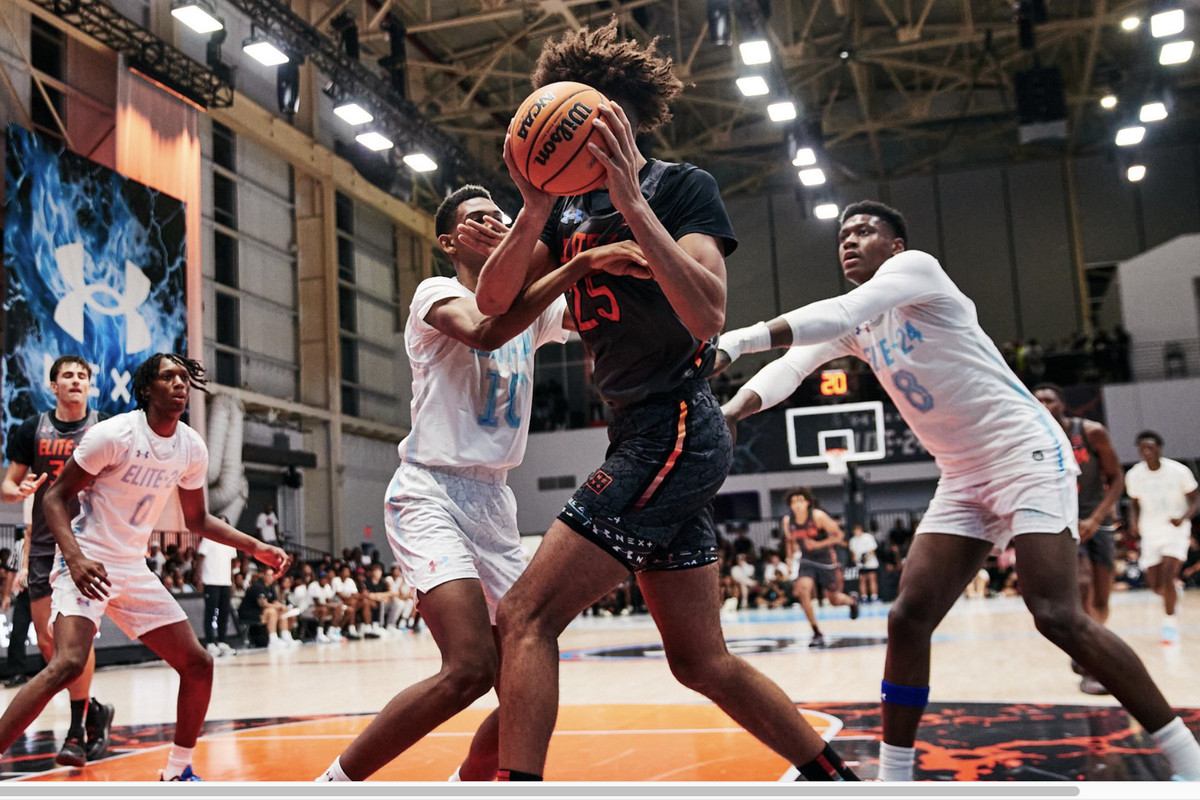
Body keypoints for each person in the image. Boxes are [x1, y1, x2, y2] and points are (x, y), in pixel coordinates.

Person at [472, 22, 858, 782]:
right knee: (701, 660)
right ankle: (839, 783)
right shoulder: (566, 214)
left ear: (612, 117)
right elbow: (491, 308)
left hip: (676, 424)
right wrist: (533, 207)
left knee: (524, 617)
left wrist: (631, 203)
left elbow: (708, 313)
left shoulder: (682, 188)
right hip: (637, 433)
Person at [718, 200, 1200, 781]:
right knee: (907, 618)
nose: (848, 240)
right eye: (843, 234)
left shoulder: (917, 270)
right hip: (964, 476)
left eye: (864, 231)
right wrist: (733, 410)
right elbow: (792, 367)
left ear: (895, 246)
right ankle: (896, 779)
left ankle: (1188, 757)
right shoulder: (855, 325)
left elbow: (840, 309)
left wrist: (737, 340)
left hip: (1025, 455)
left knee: (1056, 614)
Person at [317, 182, 596, 783]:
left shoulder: (535, 308)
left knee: (528, 674)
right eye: (479, 218)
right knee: (470, 668)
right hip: (430, 491)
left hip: (495, 501)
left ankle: (466, 786)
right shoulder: (436, 292)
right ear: (449, 242)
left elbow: (597, 314)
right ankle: (331, 786)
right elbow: (484, 329)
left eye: (503, 216)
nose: (496, 223)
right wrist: (572, 265)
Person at [0, 353, 290, 781]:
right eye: (169, 376)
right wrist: (75, 558)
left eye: (184, 377)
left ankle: (177, 771)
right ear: (147, 388)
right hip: (87, 558)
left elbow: (197, 520)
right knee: (67, 663)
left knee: (198, 664)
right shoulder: (113, 434)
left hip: (131, 568)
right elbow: (55, 498)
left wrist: (256, 546)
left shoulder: (191, 446)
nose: (180, 383)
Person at [0, 355, 115, 765]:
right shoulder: (33, 429)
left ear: (89, 385)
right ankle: (94, 709)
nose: (75, 381)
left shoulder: (104, 427)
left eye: (82, 375)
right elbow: (8, 485)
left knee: (76, 640)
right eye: (67, 375)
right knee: (50, 646)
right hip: (45, 545)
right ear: (54, 385)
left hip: (87, 545)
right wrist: (17, 491)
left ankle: (76, 731)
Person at [1033, 383, 1125, 694]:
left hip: (1096, 519)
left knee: (1101, 599)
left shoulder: (1090, 432)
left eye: (1049, 399)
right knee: (1082, 586)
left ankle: (1089, 645)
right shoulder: (1032, 437)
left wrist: (1097, 518)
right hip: (1062, 520)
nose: (1044, 404)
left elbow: (1117, 477)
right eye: (1037, 400)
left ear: (1062, 404)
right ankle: (1092, 666)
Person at [1125, 431, 1199, 646]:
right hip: (1150, 532)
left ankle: (1169, 627)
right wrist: (1133, 524)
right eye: (1143, 448)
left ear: (1159, 448)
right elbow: (1133, 504)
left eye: (1151, 447)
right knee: (1156, 586)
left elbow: (1195, 499)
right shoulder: (1135, 475)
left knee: (1168, 576)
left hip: (1175, 531)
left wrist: (1183, 518)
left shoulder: (1179, 471)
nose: (1147, 452)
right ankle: (1173, 596)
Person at [782, 488, 859, 648]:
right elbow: (790, 540)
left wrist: (818, 544)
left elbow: (839, 536)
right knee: (803, 591)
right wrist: (789, 559)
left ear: (808, 502)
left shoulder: (818, 516)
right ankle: (816, 632)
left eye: (800, 500)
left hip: (825, 561)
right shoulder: (788, 521)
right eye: (793, 501)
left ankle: (851, 601)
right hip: (806, 560)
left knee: (834, 599)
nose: (797, 505)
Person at [198, 519, 238, 657]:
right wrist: (199, 579)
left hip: (225, 582)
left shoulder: (230, 542)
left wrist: (232, 582)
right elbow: (200, 559)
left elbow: (231, 564)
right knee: (210, 613)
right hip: (210, 581)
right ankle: (210, 643)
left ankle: (222, 641)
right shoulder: (208, 539)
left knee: (224, 613)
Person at [848, 523, 880, 603]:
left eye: (858, 530)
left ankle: (874, 597)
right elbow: (853, 553)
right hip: (860, 565)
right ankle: (864, 597)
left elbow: (873, 550)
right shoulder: (852, 540)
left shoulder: (868, 537)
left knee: (872, 579)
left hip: (871, 563)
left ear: (861, 530)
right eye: (855, 531)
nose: (856, 532)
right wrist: (858, 561)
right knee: (862, 580)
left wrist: (867, 559)